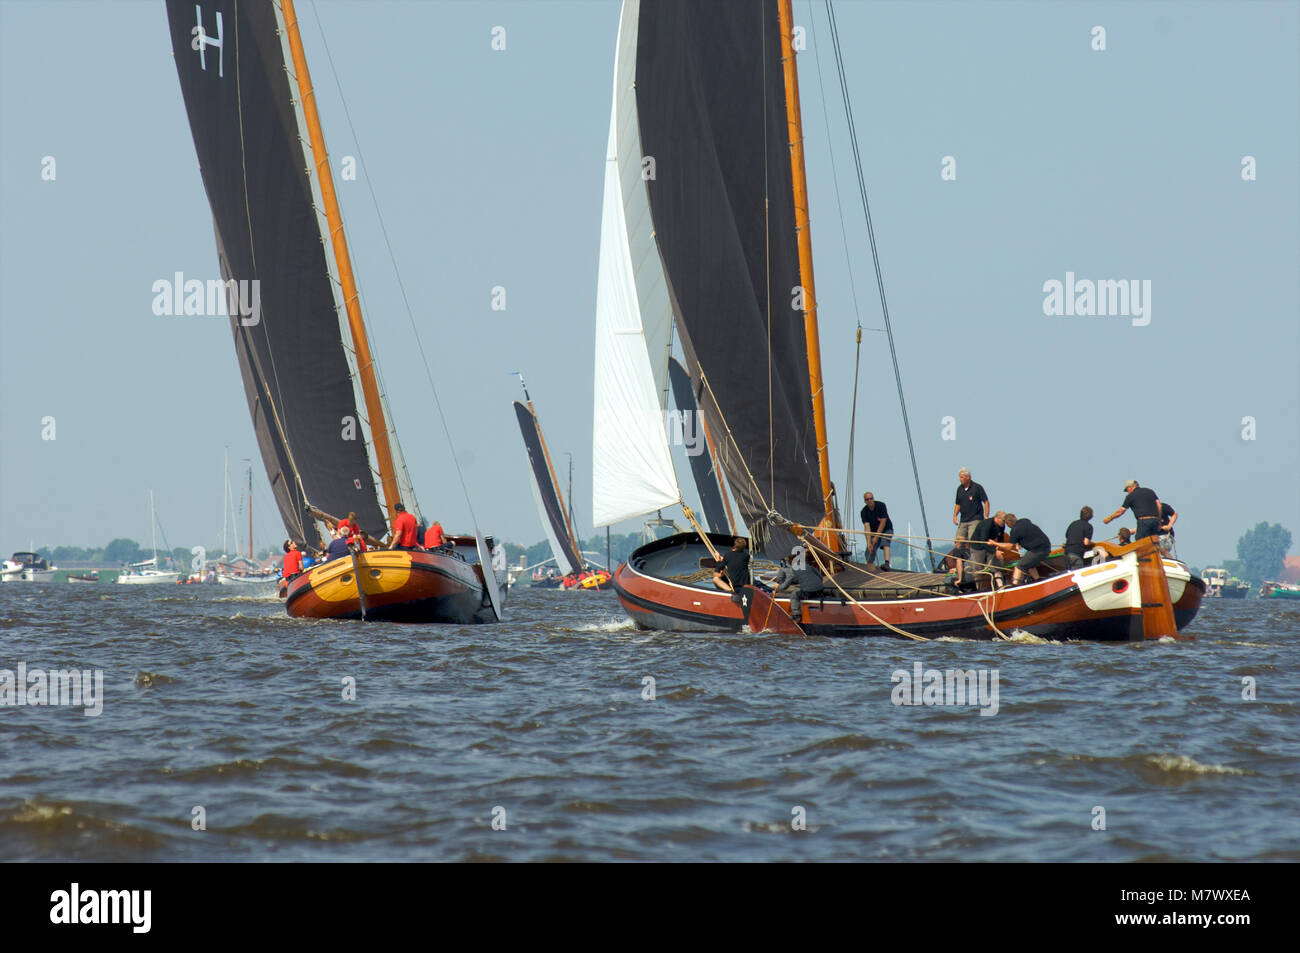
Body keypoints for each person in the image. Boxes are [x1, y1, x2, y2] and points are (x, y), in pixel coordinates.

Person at [994, 513, 1052, 585]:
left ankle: (1015, 586)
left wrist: (994, 543)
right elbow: (1027, 535)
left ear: (1008, 523)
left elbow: (1009, 546)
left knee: (1019, 566)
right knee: (1029, 565)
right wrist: (1019, 542)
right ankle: (1038, 581)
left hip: (1037, 550)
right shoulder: (1025, 522)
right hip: (1047, 546)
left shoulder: (1015, 531)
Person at [774, 557, 825, 621]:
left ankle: (796, 615)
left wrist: (777, 588)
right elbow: (820, 576)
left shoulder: (791, 570)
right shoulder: (806, 565)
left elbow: (785, 586)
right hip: (820, 588)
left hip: (809, 590)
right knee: (803, 588)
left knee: (794, 594)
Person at [967, 511, 1008, 584]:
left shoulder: (1001, 526)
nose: (1004, 523)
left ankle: (1000, 585)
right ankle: (979, 588)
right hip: (978, 547)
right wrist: (995, 551)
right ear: (997, 518)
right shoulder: (987, 524)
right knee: (978, 569)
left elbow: (1000, 540)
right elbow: (983, 541)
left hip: (989, 545)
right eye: (1003, 521)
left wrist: (999, 549)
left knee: (996, 566)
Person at [952, 468, 990, 546]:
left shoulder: (977, 487)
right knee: (958, 541)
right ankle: (960, 556)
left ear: (968, 477)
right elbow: (958, 504)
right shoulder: (959, 489)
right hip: (963, 520)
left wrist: (986, 516)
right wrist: (955, 515)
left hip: (975, 519)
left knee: (972, 540)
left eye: (962, 477)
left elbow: (986, 502)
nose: (960, 479)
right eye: (959, 477)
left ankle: (972, 556)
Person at [708, 537, 751, 603]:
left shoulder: (728, 555)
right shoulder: (747, 556)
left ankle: (731, 591)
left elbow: (717, 571)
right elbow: (736, 560)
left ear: (734, 545)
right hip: (745, 585)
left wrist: (718, 559)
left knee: (715, 579)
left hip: (735, 586)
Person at [860, 492, 894, 570]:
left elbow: (883, 522)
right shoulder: (864, 512)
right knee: (868, 552)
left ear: (873, 498)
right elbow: (867, 527)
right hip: (874, 532)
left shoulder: (881, 506)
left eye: (871, 498)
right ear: (865, 501)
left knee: (885, 541)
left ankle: (887, 563)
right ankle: (871, 570)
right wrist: (868, 542)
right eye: (867, 499)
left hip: (886, 529)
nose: (869, 501)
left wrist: (876, 537)